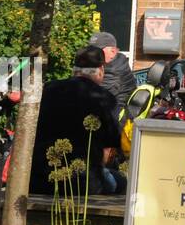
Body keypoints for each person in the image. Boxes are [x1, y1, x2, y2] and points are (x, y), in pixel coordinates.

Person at [29, 46, 124, 195]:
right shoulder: (104, 98)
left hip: (39, 179)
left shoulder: (48, 89)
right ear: (101, 70)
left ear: (75, 69)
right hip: (83, 182)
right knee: (122, 181)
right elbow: (112, 140)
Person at [89, 31, 136, 111]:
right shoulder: (105, 63)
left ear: (112, 51)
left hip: (115, 116)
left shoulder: (113, 69)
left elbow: (99, 97)